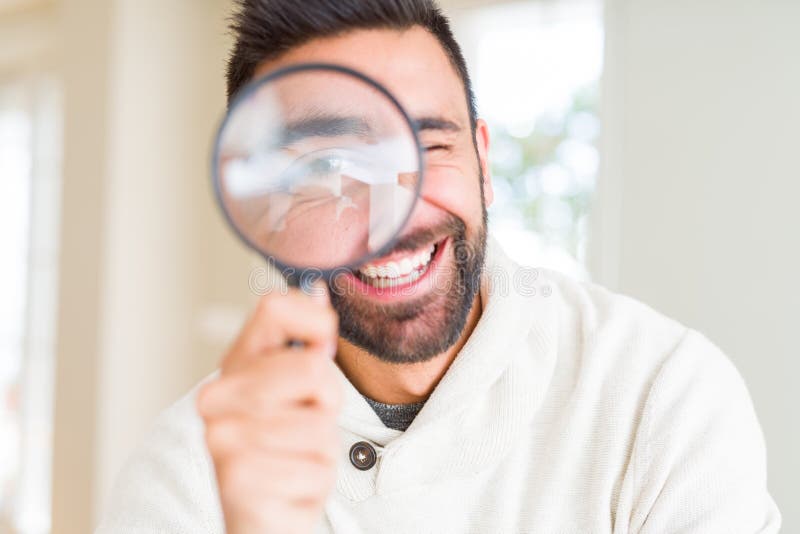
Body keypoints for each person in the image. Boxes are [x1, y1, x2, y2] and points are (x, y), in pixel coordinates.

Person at [96, 1, 782, 533]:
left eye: (427, 146)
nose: (390, 213)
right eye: (328, 168)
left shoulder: (661, 399)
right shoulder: (190, 474)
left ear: (484, 165)